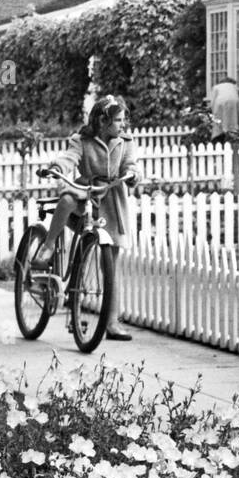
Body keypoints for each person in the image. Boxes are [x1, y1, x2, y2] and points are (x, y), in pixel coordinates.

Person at [31, 95, 141, 341]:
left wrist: (133, 174)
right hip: (86, 190)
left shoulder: (125, 141)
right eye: (118, 120)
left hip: (111, 199)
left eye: (123, 120)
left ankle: (111, 322)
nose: (123, 124)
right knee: (67, 200)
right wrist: (57, 167)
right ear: (103, 121)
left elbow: (130, 165)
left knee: (111, 264)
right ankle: (48, 245)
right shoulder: (81, 140)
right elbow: (69, 158)